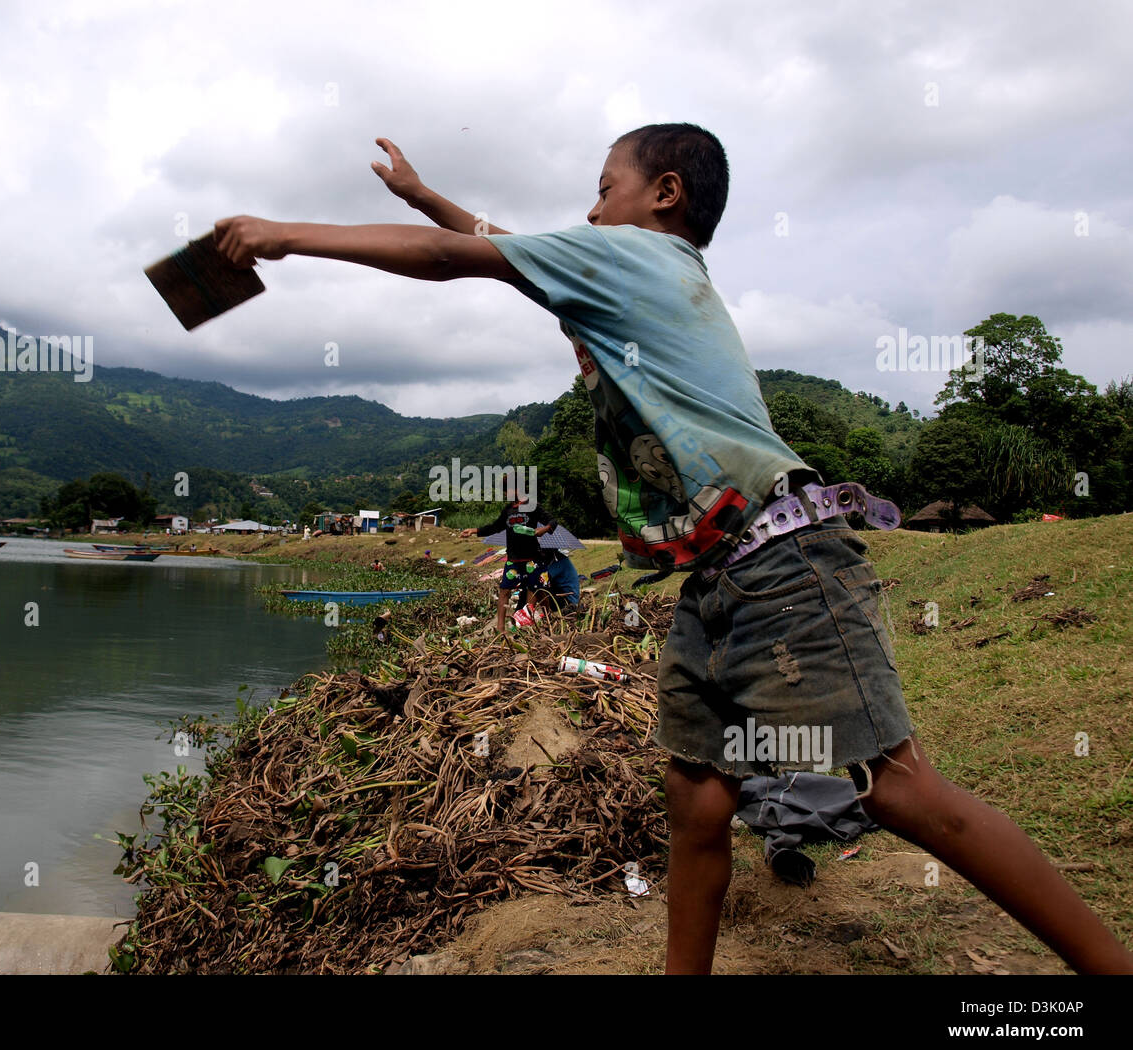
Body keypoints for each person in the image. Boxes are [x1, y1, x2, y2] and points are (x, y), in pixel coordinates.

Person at [213, 127, 1133, 975]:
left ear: (663, 193)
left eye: (601, 188)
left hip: (789, 563)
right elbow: (497, 249)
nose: (588, 210)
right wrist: (425, 195)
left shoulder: (636, 256)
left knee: (895, 787)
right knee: (696, 795)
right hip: (721, 581)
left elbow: (464, 259)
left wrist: (283, 234)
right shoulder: (637, 271)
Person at [457, 473, 556, 632]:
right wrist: (474, 530)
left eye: (507, 490)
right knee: (504, 591)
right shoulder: (508, 510)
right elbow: (494, 527)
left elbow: (553, 521)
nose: (506, 494)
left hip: (533, 559)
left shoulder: (532, 505)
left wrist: (543, 530)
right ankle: (500, 629)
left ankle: (549, 622)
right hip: (514, 560)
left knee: (540, 591)